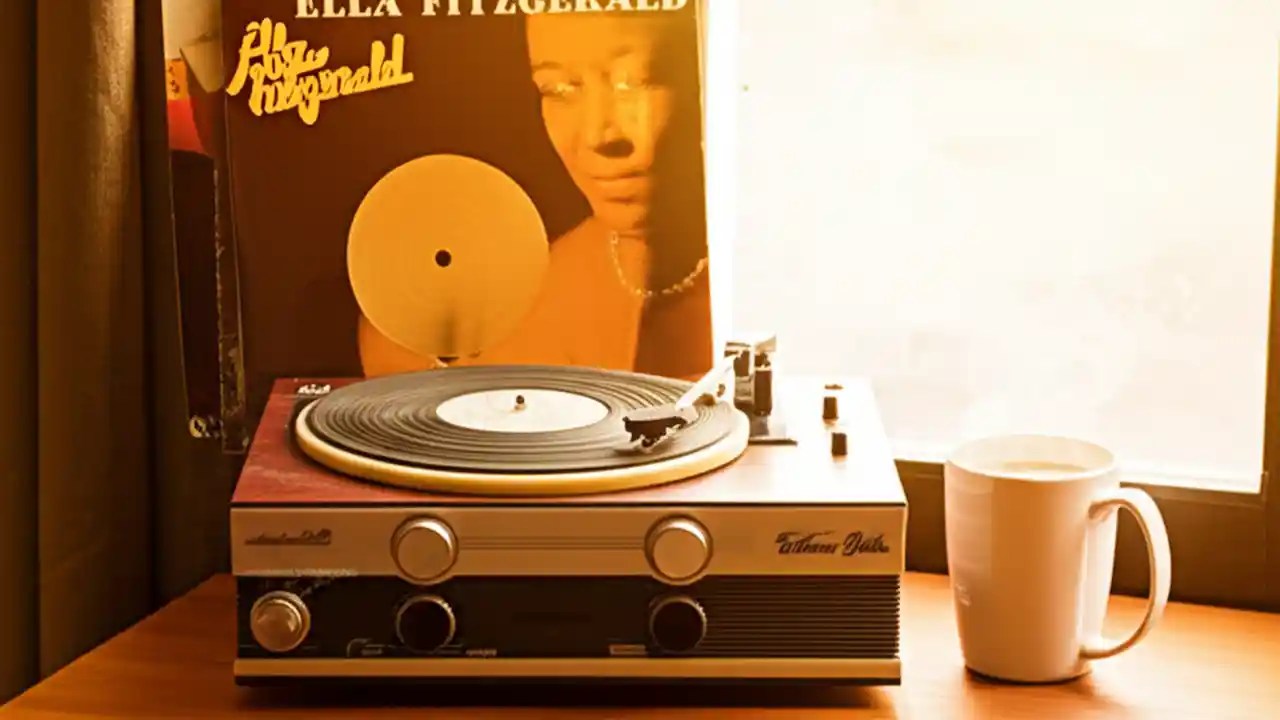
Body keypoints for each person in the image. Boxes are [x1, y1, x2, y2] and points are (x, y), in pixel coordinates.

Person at [357, 9, 714, 381]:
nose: (599, 137)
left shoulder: (761, 284)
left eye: (636, 81)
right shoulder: (465, 322)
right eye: (556, 89)